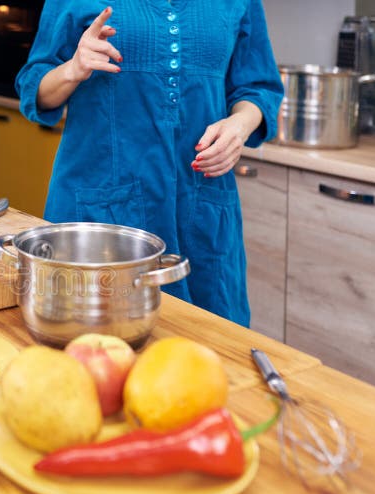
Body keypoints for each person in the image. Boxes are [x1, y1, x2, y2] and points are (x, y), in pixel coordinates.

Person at [15, 1, 284, 327]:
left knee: (212, 355)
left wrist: (240, 125)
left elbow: (259, 87)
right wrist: (73, 68)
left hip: (201, 211)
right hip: (102, 213)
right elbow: (34, 87)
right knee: (87, 355)